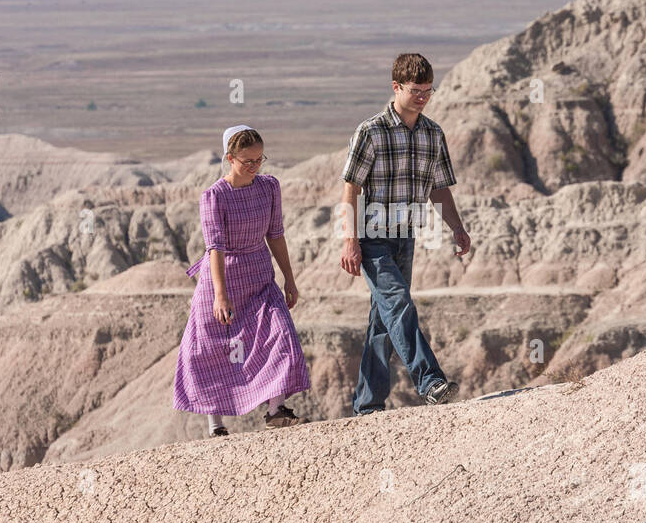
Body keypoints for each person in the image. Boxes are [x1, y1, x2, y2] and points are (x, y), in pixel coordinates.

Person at [337, 53, 471, 415]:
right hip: (372, 237)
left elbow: (439, 188)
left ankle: (368, 405)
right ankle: (431, 381)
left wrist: (456, 228)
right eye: (416, 91)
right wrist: (350, 239)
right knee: (398, 304)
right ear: (395, 87)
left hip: (407, 235)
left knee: (384, 321)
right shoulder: (371, 131)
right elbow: (351, 188)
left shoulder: (433, 134)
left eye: (429, 90)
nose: (423, 97)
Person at [173, 125, 310, 436]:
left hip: (259, 274)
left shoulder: (269, 187)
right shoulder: (214, 197)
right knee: (212, 349)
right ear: (229, 159)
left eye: (259, 160)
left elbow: (275, 235)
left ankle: (276, 410)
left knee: (280, 333)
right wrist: (220, 295)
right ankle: (215, 425)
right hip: (221, 278)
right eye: (247, 161)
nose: (254, 167)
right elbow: (215, 248)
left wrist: (289, 279)